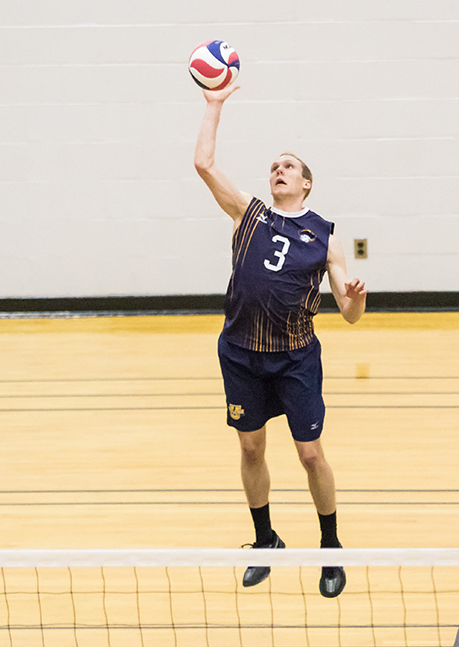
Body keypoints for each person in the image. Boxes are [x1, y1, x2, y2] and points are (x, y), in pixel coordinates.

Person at [193, 84, 367, 598]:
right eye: (274, 165)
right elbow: (204, 164)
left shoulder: (325, 237)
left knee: (310, 454)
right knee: (250, 447)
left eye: (289, 166)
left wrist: (355, 296)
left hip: (294, 359)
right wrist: (214, 104)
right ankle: (266, 540)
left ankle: (330, 547)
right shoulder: (248, 213)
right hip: (241, 353)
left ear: (306, 183)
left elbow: (351, 315)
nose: (278, 170)